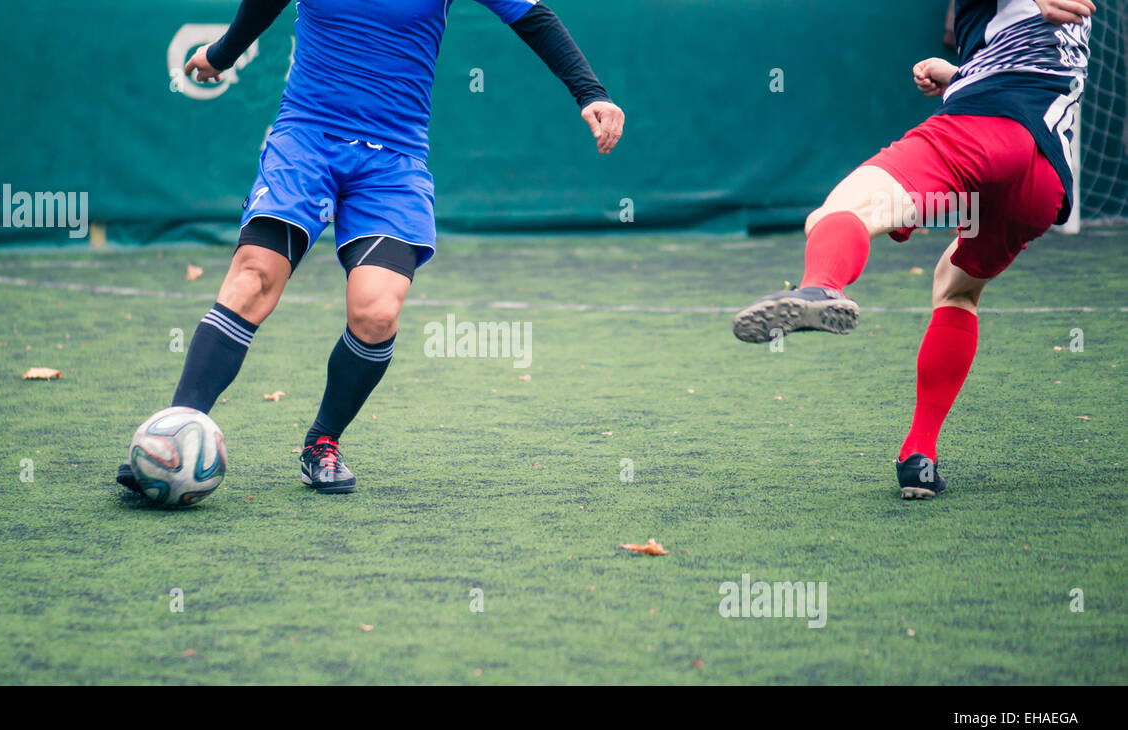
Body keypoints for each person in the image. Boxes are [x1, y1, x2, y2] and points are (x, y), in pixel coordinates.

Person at [119, 0, 624, 495]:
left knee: (377, 314)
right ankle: (171, 435)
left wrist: (590, 93)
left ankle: (322, 441)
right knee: (254, 278)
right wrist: (222, 54)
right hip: (306, 139)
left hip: (393, 160)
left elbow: (533, 17)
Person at [732, 0, 1094, 499]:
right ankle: (919, 456)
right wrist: (959, 75)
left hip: (986, 128)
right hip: (1045, 177)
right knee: (957, 289)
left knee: (841, 211)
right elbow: (1026, 56)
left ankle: (823, 287)